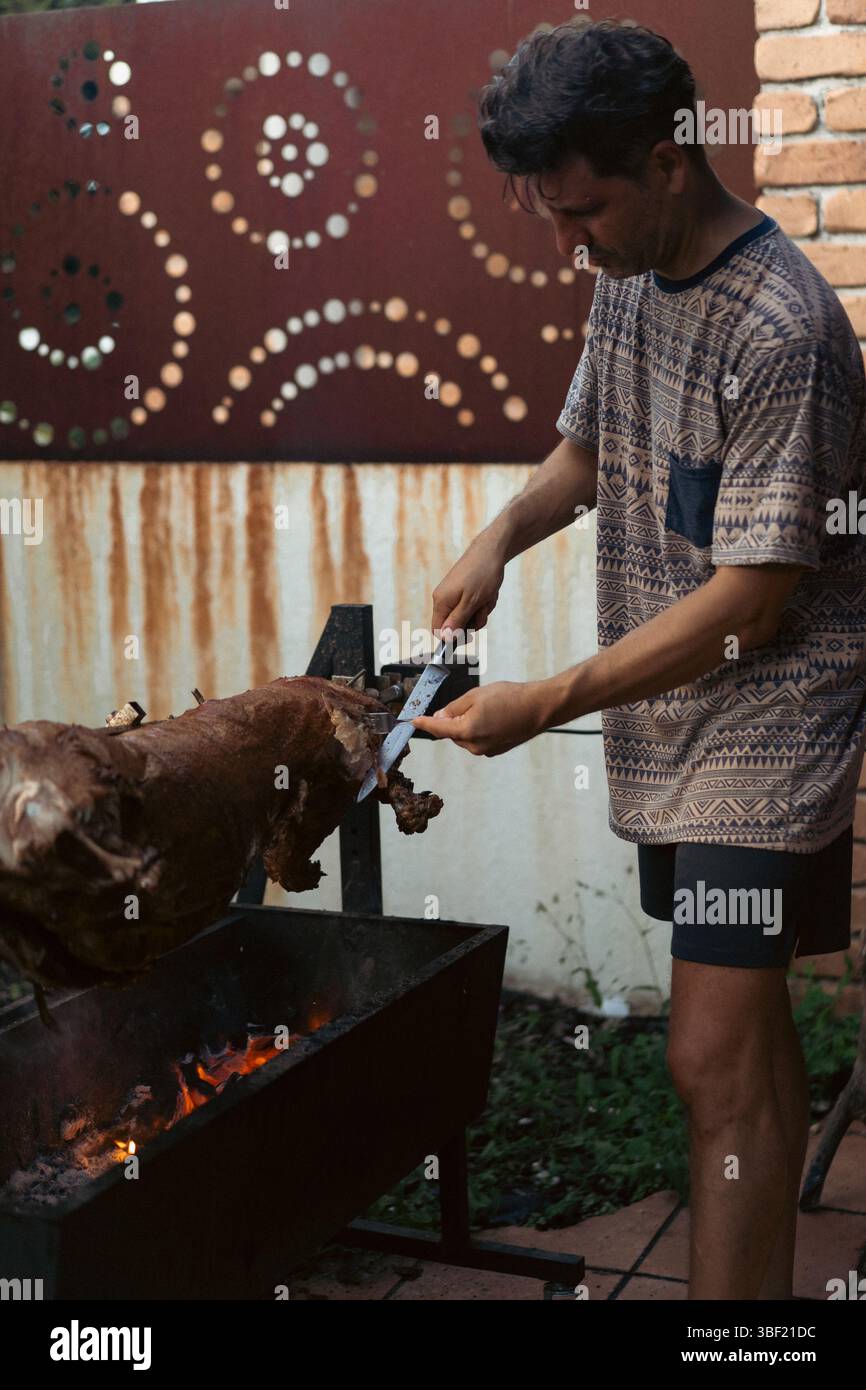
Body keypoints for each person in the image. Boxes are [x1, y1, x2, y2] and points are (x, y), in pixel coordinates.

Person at [412, 17, 866, 1301]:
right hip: (673, 711)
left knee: (707, 1055)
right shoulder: (627, 279)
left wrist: (543, 697)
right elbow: (587, 454)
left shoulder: (782, 328)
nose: (570, 246)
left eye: (583, 211)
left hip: (764, 723)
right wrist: (499, 533)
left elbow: (752, 603)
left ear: (670, 162)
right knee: (746, 1042)